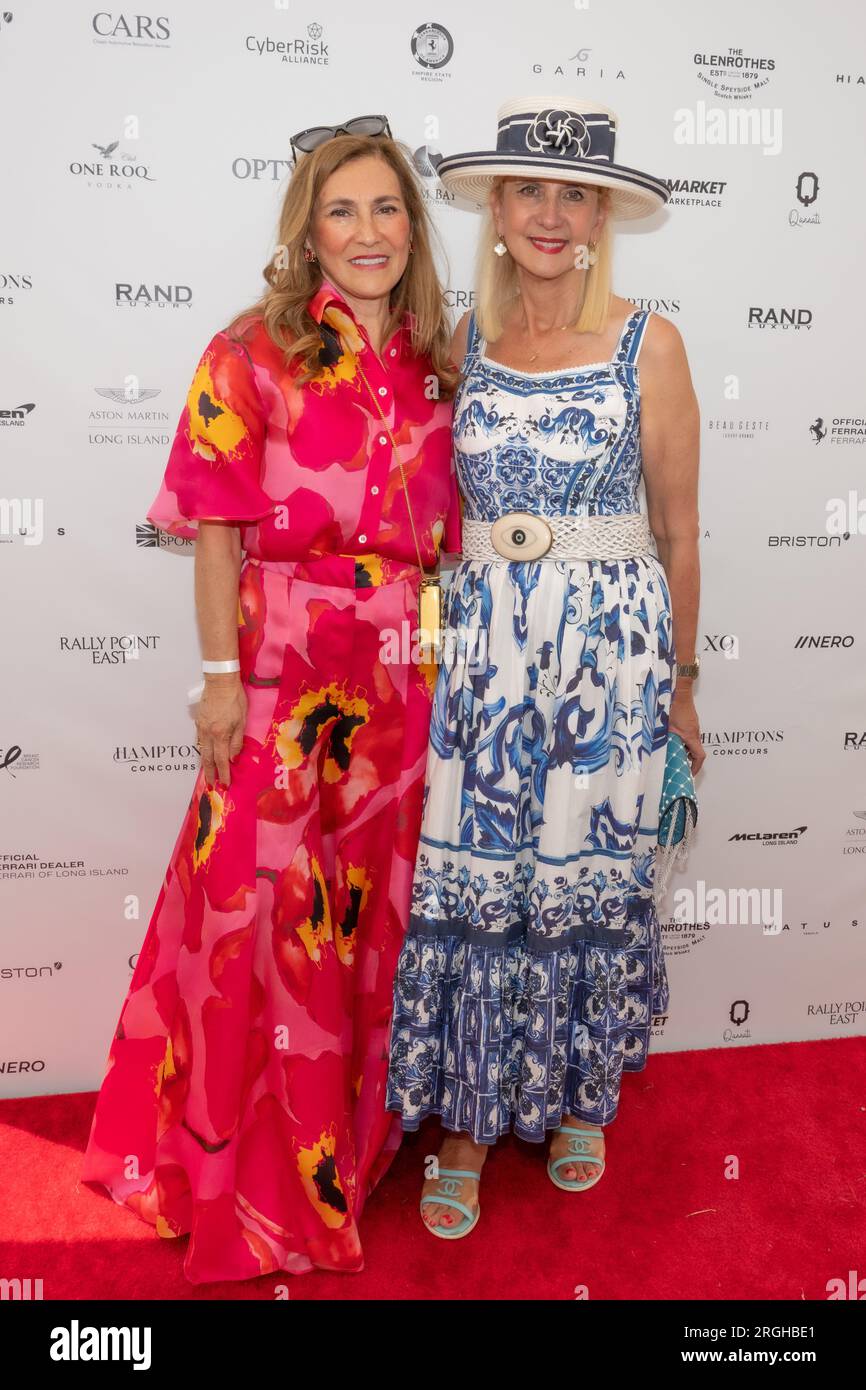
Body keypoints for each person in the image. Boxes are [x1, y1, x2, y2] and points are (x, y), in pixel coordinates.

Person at [81, 118, 461, 1282]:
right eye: (340, 211)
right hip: (278, 671)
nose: (365, 233)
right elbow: (215, 531)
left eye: (385, 209)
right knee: (260, 912)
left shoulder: (441, 360)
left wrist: (446, 664)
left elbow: (444, 545)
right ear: (306, 227)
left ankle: (342, 1149)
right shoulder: (250, 350)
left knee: (364, 923)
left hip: (402, 675)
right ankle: (238, 1177)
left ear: (412, 227)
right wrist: (213, 681)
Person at [385, 96, 704, 1237]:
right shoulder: (462, 340)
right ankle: (465, 1119)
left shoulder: (645, 342)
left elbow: (678, 533)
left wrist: (677, 690)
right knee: (475, 870)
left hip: (606, 661)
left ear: (603, 211)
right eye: (529, 190)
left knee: (582, 870)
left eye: (574, 194)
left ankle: (579, 1099)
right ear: (496, 205)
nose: (550, 214)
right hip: (484, 651)